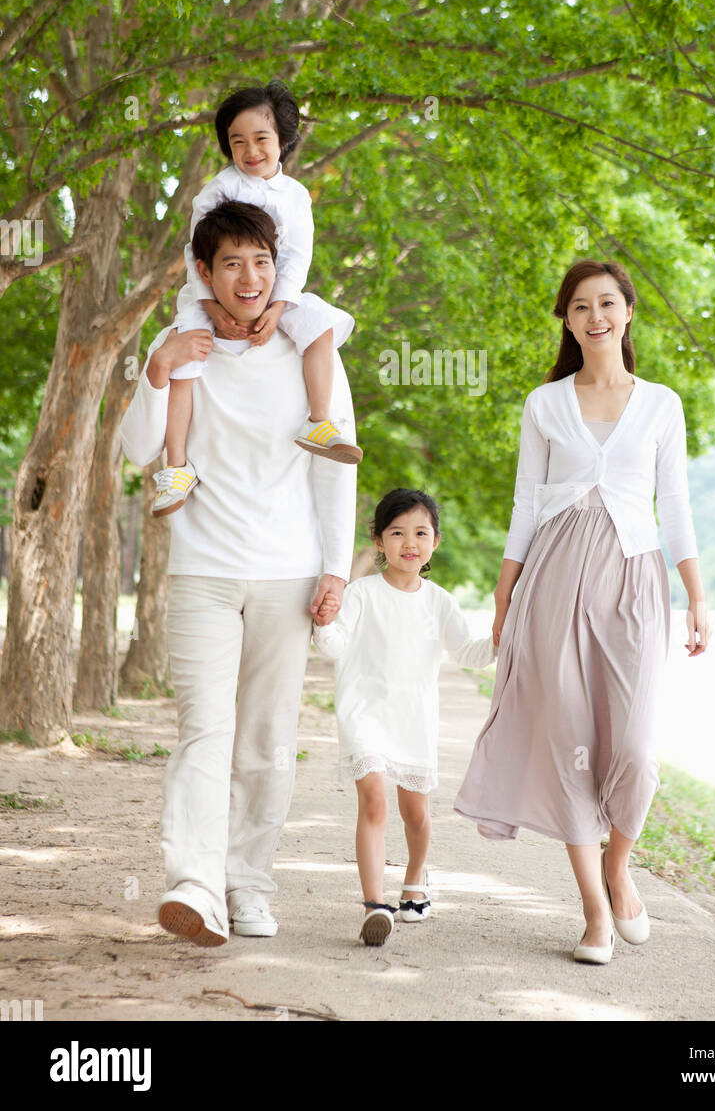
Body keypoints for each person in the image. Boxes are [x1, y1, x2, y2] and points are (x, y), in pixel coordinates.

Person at [454, 259, 712, 965]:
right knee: (565, 739)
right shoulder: (545, 404)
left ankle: (618, 866)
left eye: (606, 303)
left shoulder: (662, 404)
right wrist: (504, 592)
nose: (594, 316)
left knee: (633, 752)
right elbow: (525, 505)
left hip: (632, 584)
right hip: (552, 583)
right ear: (567, 321)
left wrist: (696, 595)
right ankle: (594, 912)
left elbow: (676, 506)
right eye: (579, 306)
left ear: (628, 312)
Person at [119, 199, 357, 946]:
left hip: (288, 575)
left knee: (264, 740)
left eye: (260, 261)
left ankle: (247, 884)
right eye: (230, 263)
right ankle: (194, 884)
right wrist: (156, 371)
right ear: (203, 272)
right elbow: (136, 450)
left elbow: (335, 467)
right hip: (203, 572)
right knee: (204, 731)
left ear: (275, 266)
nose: (248, 277)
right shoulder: (179, 343)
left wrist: (336, 570)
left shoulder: (307, 343)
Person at [153, 78, 361, 518]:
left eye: (261, 139)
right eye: (237, 141)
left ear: (283, 138)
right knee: (187, 362)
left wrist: (281, 306)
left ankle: (318, 421)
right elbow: (197, 254)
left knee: (320, 327)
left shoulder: (297, 196)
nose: (250, 151)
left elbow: (298, 254)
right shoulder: (218, 190)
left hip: (275, 292)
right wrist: (209, 305)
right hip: (213, 293)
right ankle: (176, 467)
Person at [312, 489, 495, 947]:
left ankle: (416, 876)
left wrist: (500, 634)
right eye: (397, 532)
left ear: (436, 541)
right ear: (378, 540)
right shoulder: (361, 594)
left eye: (420, 532)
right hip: (364, 713)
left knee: (416, 813)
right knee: (374, 798)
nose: (409, 542)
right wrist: (323, 621)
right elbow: (333, 646)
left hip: (413, 718)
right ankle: (376, 905)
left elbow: (469, 654)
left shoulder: (439, 602)